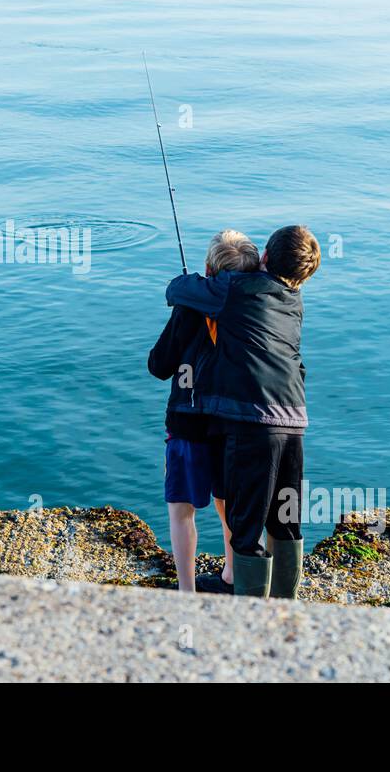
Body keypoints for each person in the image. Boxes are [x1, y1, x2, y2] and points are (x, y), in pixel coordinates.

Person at [164, 225, 321, 598]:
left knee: (246, 524)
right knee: (286, 519)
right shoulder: (293, 301)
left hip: (256, 423)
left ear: (265, 258)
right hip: (295, 419)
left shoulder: (234, 289)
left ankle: (249, 614)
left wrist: (200, 281)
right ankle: (285, 606)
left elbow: (177, 290)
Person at [148, 230, 259, 592]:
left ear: (209, 270)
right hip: (233, 423)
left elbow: (159, 364)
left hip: (187, 421)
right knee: (228, 504)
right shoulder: (255, 311)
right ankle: (231, 574)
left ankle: (187, 591)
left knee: (182, 509)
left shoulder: (191, 307)